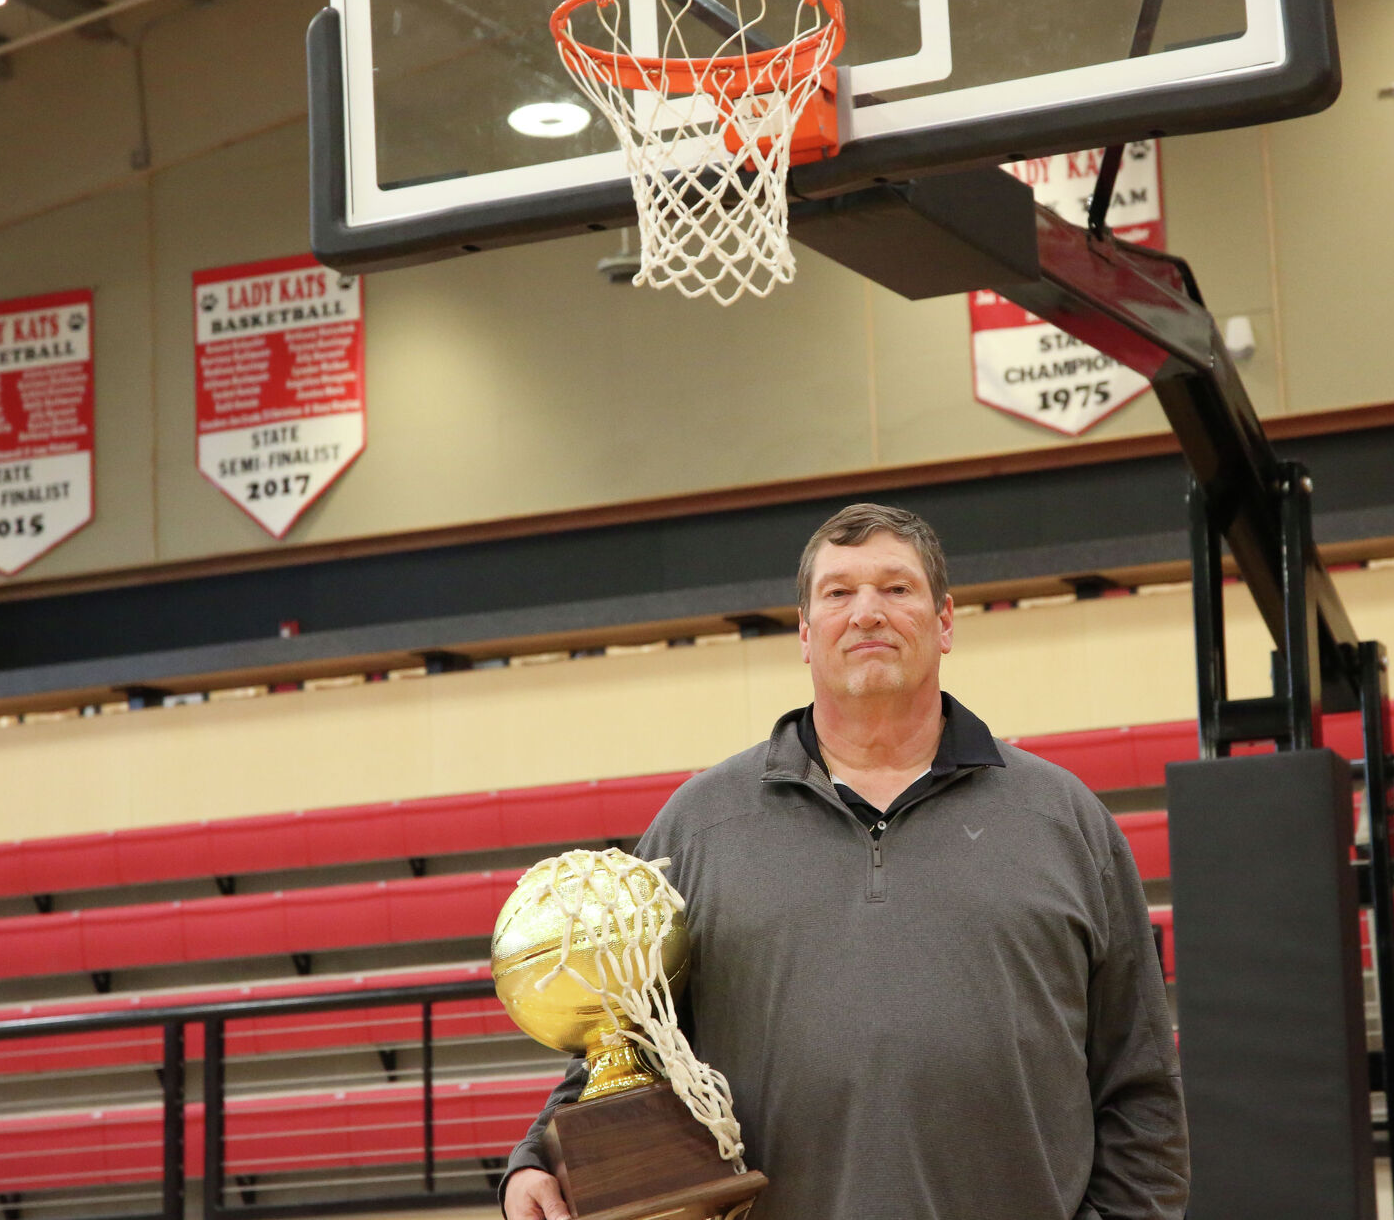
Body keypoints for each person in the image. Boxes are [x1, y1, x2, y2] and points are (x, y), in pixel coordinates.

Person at [503, 502, 1187, 1220]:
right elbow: (618, 1043)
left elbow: (1140, 1087)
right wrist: (533, 1163)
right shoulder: (699, 827)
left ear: (945, 620)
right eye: (838, 592)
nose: (867, 612)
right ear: (805, 631)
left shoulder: (1065, 820)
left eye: (896, 588)